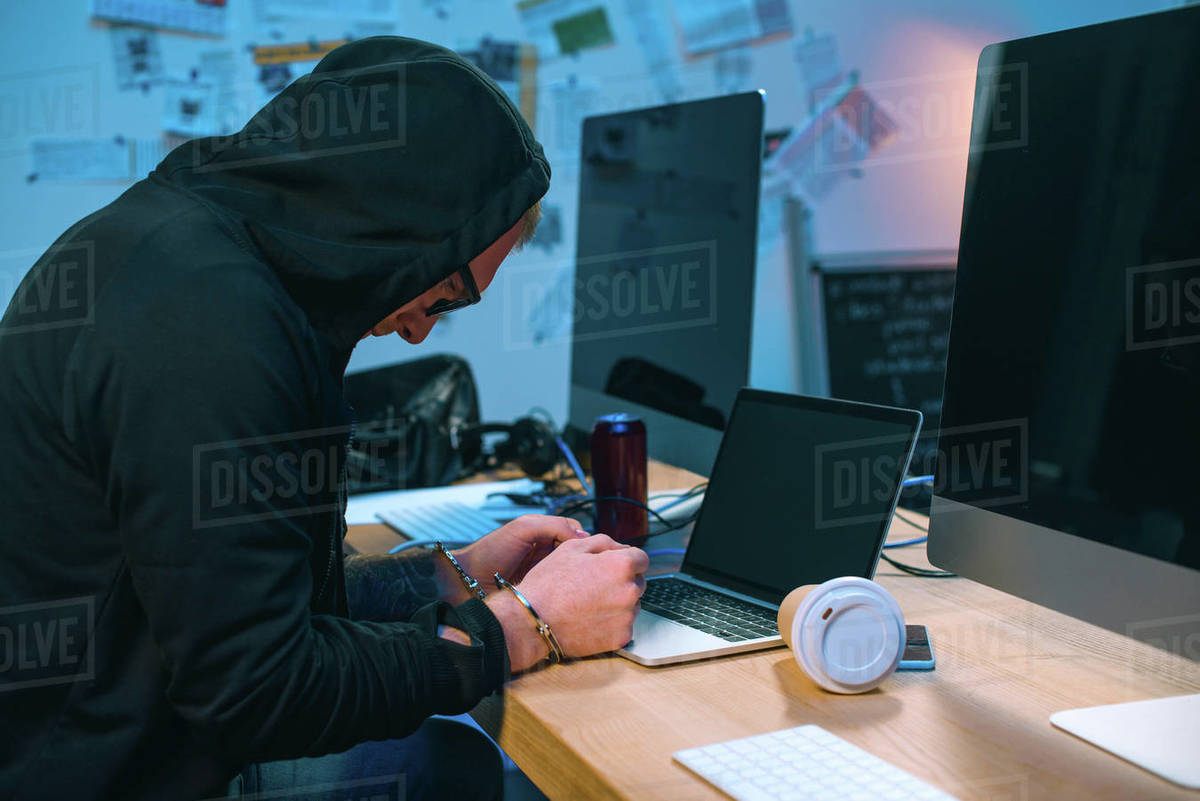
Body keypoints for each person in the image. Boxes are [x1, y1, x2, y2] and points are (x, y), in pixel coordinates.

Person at [0, 37, 647, 801]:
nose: (418, 331)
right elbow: (261, 691)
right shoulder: (211, 330)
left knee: (451, 753)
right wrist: (524, 627)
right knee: (470, 766)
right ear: (397, 219)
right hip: (98, 769)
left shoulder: (189, 248)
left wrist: (456, 573)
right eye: (444, 291)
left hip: (110, 719)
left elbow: (255, 598)